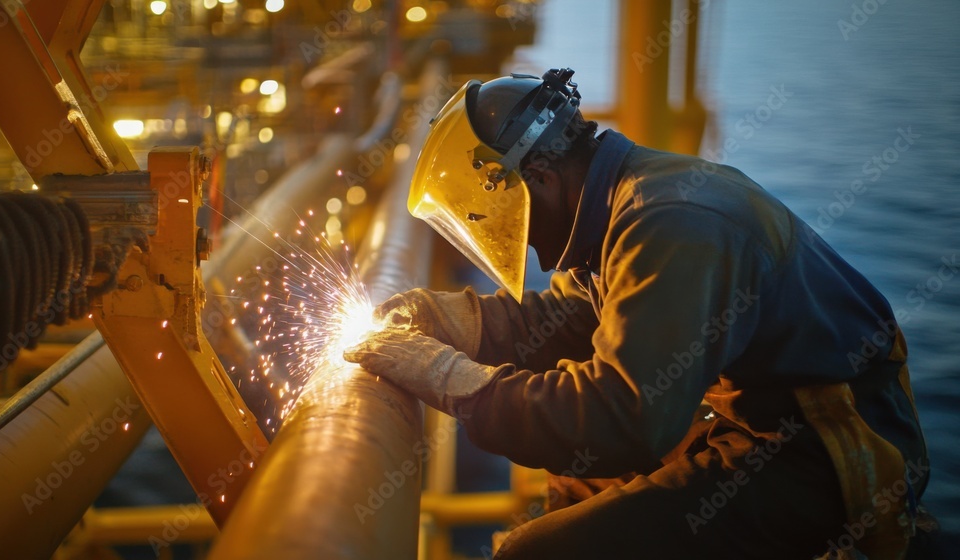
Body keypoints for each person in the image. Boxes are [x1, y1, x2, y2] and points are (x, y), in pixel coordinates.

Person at [343, 68, 930, 559]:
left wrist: (448, 379)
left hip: (824, 445)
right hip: (749, 417)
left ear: (540, 177)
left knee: (535, 554)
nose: (518, 243)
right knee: (575, 480)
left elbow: (623, 418)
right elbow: (574, 320)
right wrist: (445, 319)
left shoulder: (669, 223)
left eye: (504, 218)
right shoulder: (609, 201)